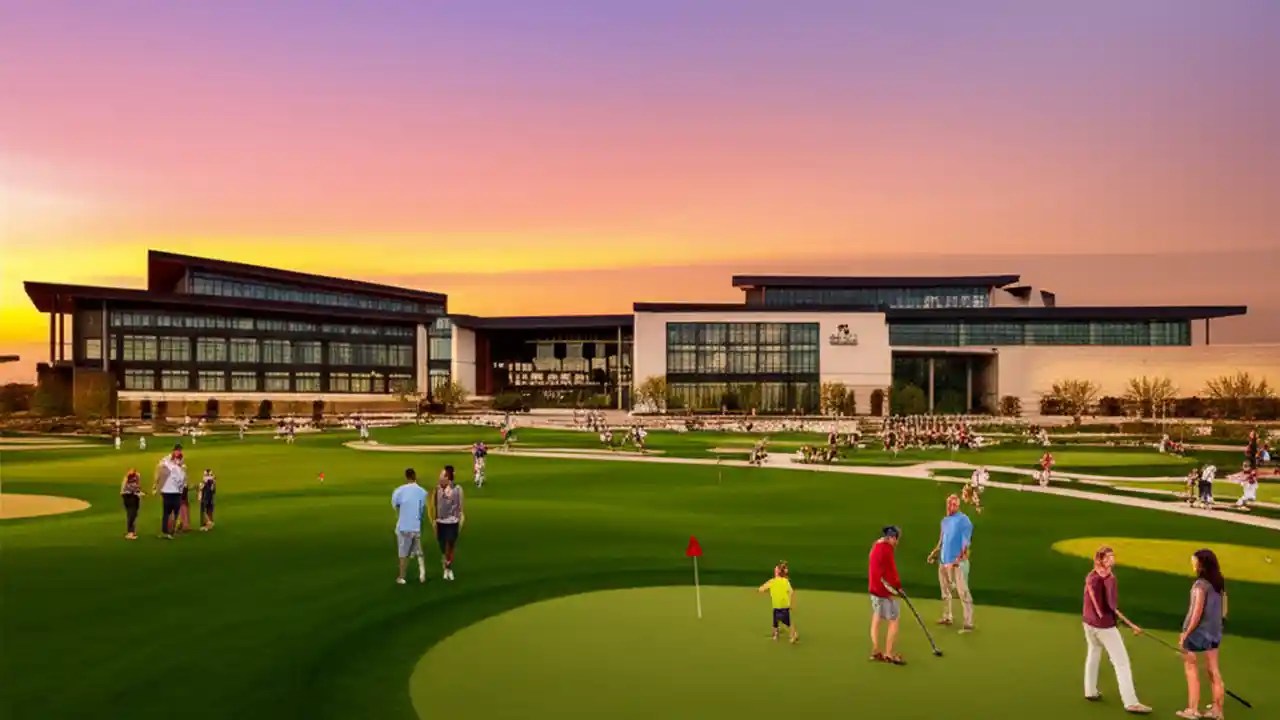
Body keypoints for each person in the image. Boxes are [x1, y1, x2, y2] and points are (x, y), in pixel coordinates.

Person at [1081, 546, 1151, 714]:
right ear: (1101, 560)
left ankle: (1090, 691)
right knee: (1122, 663)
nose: (1112, 560)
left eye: (1112, 556)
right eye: (1108, 557)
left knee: (1094, 652)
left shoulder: (1091, 576)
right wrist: (1131, 625)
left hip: (1088, 623)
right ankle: (1131, 702)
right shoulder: (1109, 579)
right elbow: (1111, 607)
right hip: (1104, 627)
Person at [1177, 549, 1228, 720]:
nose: (1193, 564)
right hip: (1214, 632)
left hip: (1197, 633)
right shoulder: (1218, 583)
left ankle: (1193, 710)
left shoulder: (1199, 585)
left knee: (1191, 668)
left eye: (1195, 562)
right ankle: (1217, 710)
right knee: (1213, 670)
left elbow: (1196, 612)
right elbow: (1224, 609)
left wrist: (1186, 633)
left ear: (1202, 564)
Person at [927, 494, 975, 632]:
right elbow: (942, 540)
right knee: (945, 591)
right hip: (944, 561)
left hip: (957, 563)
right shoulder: (945, 521)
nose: (950, 507)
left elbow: (966, 542)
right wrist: (934, 552)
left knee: (962, 591)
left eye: (954, 505)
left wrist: (958, 558)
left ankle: (968, 622)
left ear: (958, 506)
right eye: (949, 504)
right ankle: (947, 616)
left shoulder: (964, 520)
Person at [868, 525, 905, 665]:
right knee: (894, 619)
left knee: (876, 617)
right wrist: (898, 588)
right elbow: (891, 571)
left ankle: (876, 649)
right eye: (897, 539)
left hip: (873, 588)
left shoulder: (876, 545)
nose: (897, 543)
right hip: (883, 589)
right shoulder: (887, 549)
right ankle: (889, 654)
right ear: (892, 538)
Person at [391, 468, 429, 585]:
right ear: (415, 477)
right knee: (418, 550)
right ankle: (422, 573)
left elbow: (396, 506)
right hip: (415, 526)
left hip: (403, 526)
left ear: (406, 477)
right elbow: (423, 508)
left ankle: (402, 577)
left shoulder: (399, 491)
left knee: (403, 554)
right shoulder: (422, 491)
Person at [428, 465, 465, 581]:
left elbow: (461, 506)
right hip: (440, 522)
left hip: (453, 522)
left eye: (443, 475)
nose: (440, 477)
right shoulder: (437, 489)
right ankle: (446, 564)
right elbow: (432, 505)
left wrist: (461, 519)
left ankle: (448, 568)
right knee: (443, 547)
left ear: (448, 477)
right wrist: (433, 520)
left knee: (450, 545)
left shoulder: (457, 489)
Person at [758, 561, 798, 644]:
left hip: (780, 605)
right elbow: (791, 592)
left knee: (786, 622)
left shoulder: (772, 581)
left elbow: (761, 589)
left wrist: (764, 589)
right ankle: (776, 633)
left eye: (776, 570)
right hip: (781, 605)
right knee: (776, 621)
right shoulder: (785, 581)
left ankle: (793, 635)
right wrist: (791, 602)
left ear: (778, 572)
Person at [152, 444, 186, 539]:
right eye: (177, 450)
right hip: (167, 490)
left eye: (180, 450)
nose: (178, 452)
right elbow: (159, 469)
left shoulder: (181, 461)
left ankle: (173, 531)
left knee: (176, 512)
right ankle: (165, 531)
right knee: (166, 512)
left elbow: (182, 475)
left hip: (177, 491)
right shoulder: (166, 460)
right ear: (174, 451)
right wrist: (156, 484)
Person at [120, 468, 144, 540]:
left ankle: (132, 531)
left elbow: (137, 486)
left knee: (133, 514)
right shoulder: (127, 478)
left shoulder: (137, 476)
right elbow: (124, 488)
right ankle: (130, 532)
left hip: (134, 496)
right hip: (129, 496)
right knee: (131, 514)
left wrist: (139, 492)